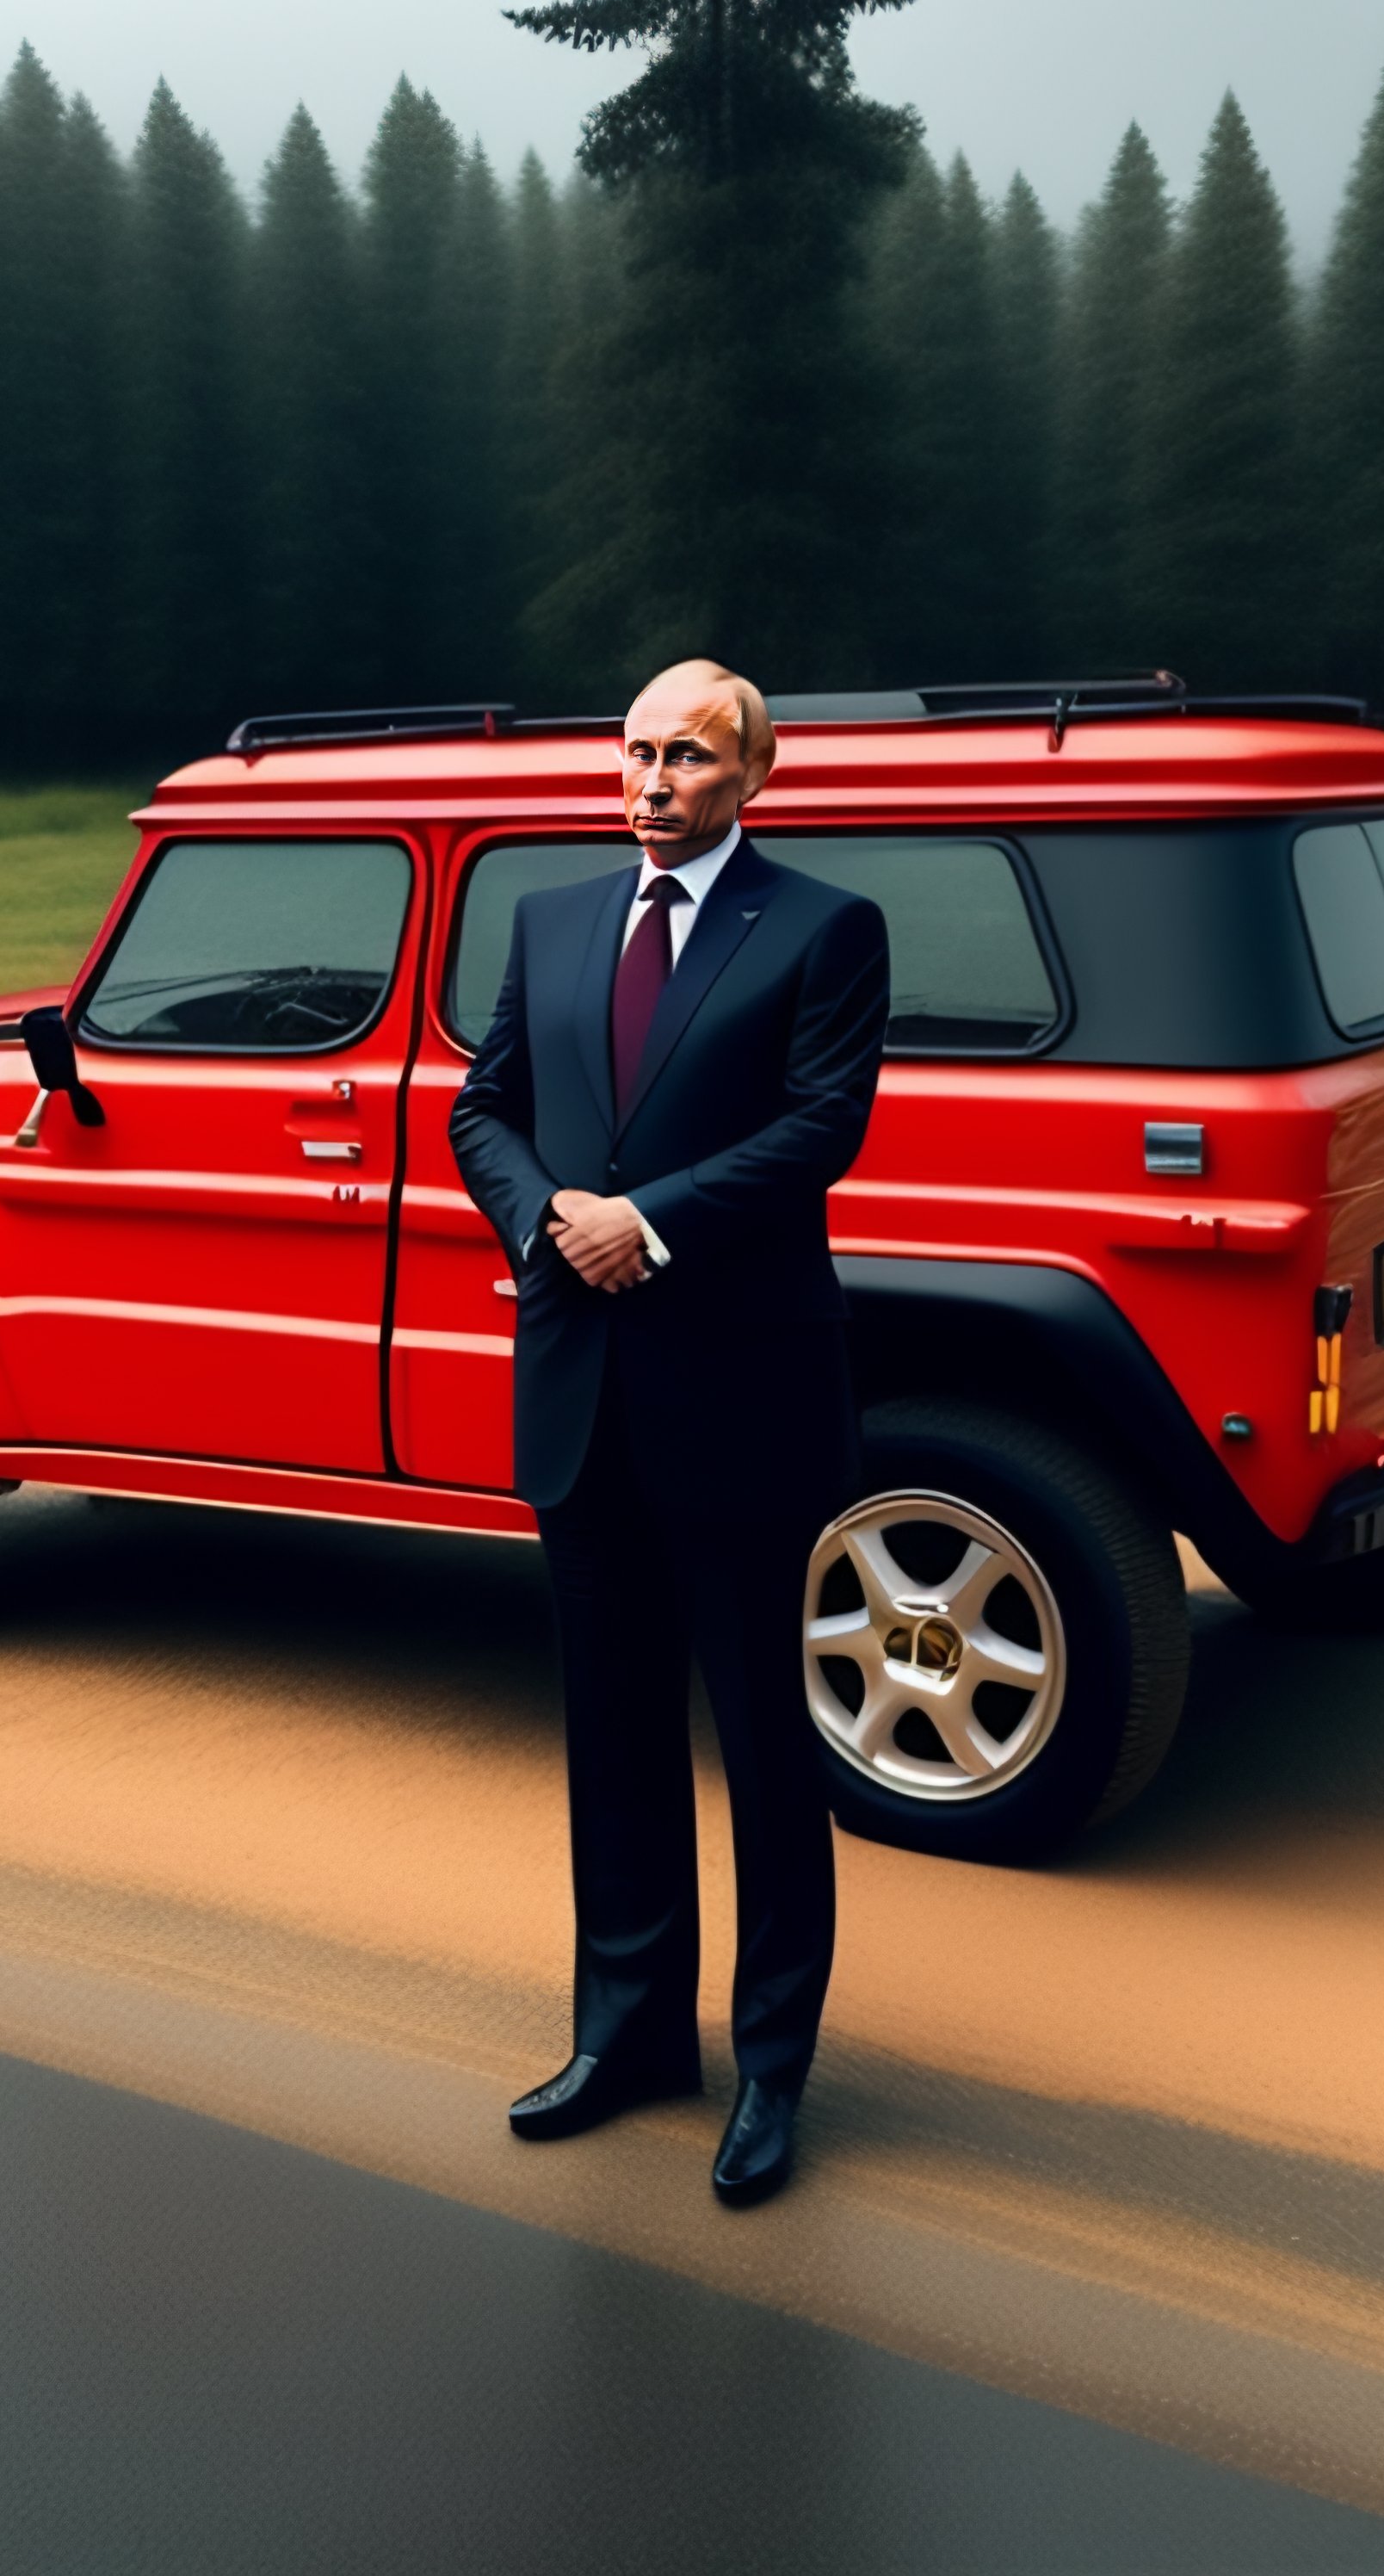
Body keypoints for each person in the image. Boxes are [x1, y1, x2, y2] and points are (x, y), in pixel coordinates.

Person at [449, 659, 891, 2207]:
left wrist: (650, 1221)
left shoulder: (826, 929)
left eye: (688, 758)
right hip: (580, 1389)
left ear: (754, 776)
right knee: (613, 1731)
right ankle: (629, 2033)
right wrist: (549, 1221)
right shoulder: (552, 918)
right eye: (635, 752)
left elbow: (824, 1127)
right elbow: (480, 1106)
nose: (651, 782)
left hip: (743, 1392)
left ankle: (772, 2068)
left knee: (767, 1747)